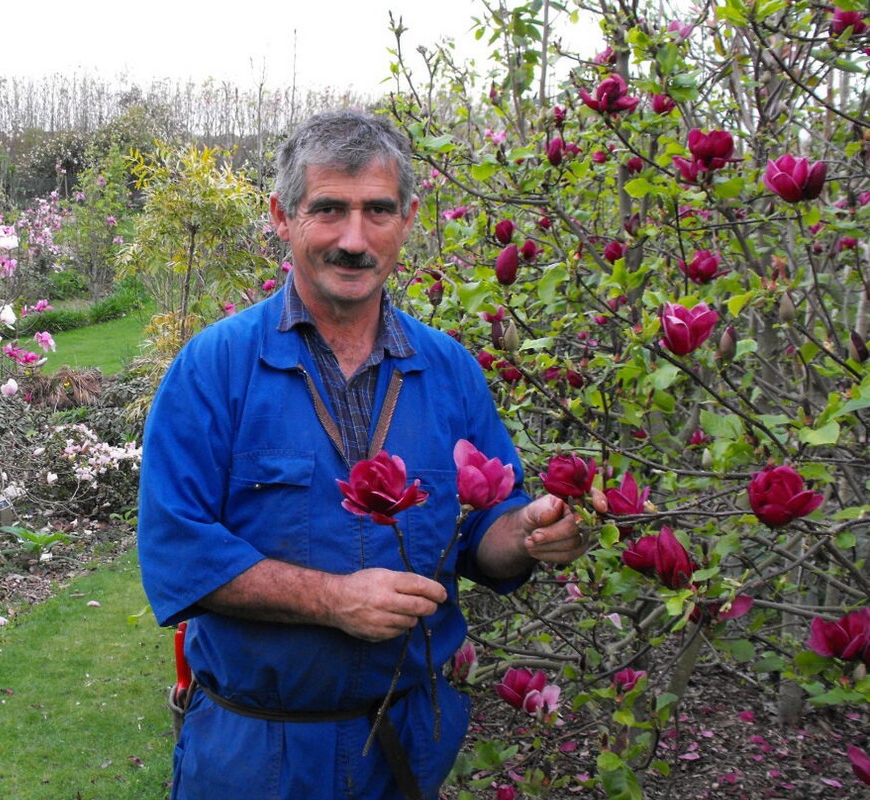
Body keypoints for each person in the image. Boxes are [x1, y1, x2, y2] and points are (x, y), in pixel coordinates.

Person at [137, 108, 591, 800]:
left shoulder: (449, 372)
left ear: (408, 219)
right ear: (282, 217)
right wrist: (334, 599)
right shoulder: (215, 367)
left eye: (377, 210)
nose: (354, 240)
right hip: (255, 750)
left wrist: (527, 533)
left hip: (406, 745)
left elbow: (484, 535)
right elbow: (177, 554)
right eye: (329, 209)